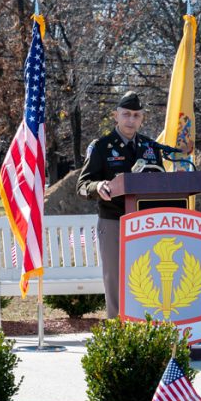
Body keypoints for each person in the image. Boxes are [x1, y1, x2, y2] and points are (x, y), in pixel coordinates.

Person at [76, 91, 168, 318]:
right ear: (115, 116)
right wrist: (97, 186)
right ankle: (118, 326)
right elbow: (82, 185)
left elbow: (161, 181)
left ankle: (147, 324)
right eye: (126, 114)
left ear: (142, 118)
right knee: (115, 277)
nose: (131, 120)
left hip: (147, 222)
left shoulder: (150, 147)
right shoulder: (101, 147)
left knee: (149, 275)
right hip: (114, 221)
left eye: (136, 115)